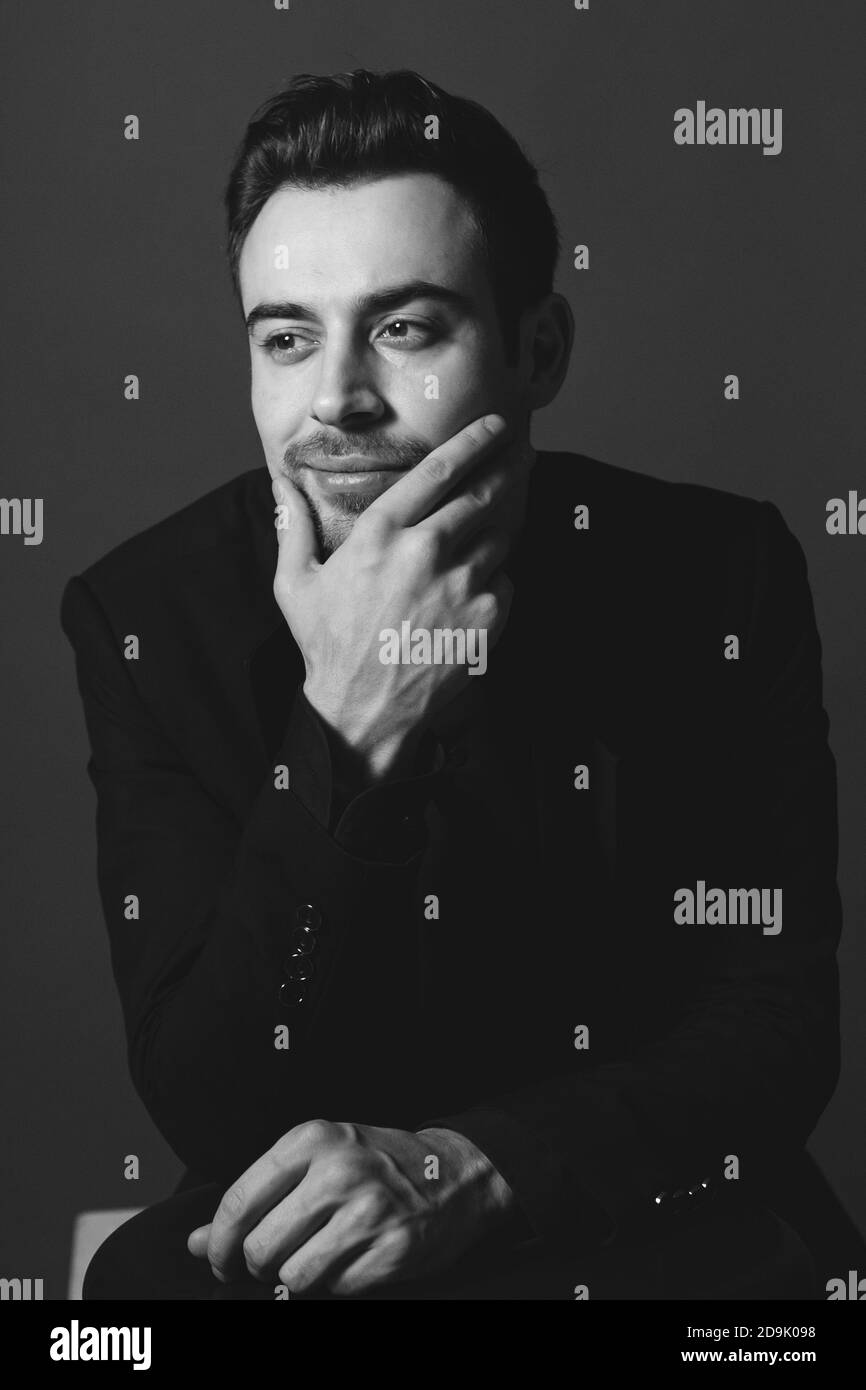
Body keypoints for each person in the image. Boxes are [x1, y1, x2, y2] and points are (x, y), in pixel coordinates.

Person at [62, 69, 840, 1300]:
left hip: (639, 1207)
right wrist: (346, 728)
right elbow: (209, 1100)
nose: (335, 402)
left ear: (538, 349)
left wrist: (466, 1167)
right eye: (285, 338)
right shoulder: (148, 616)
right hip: (310, 1232)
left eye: (406, 328)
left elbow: (772, 1021)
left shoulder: (715, 575)